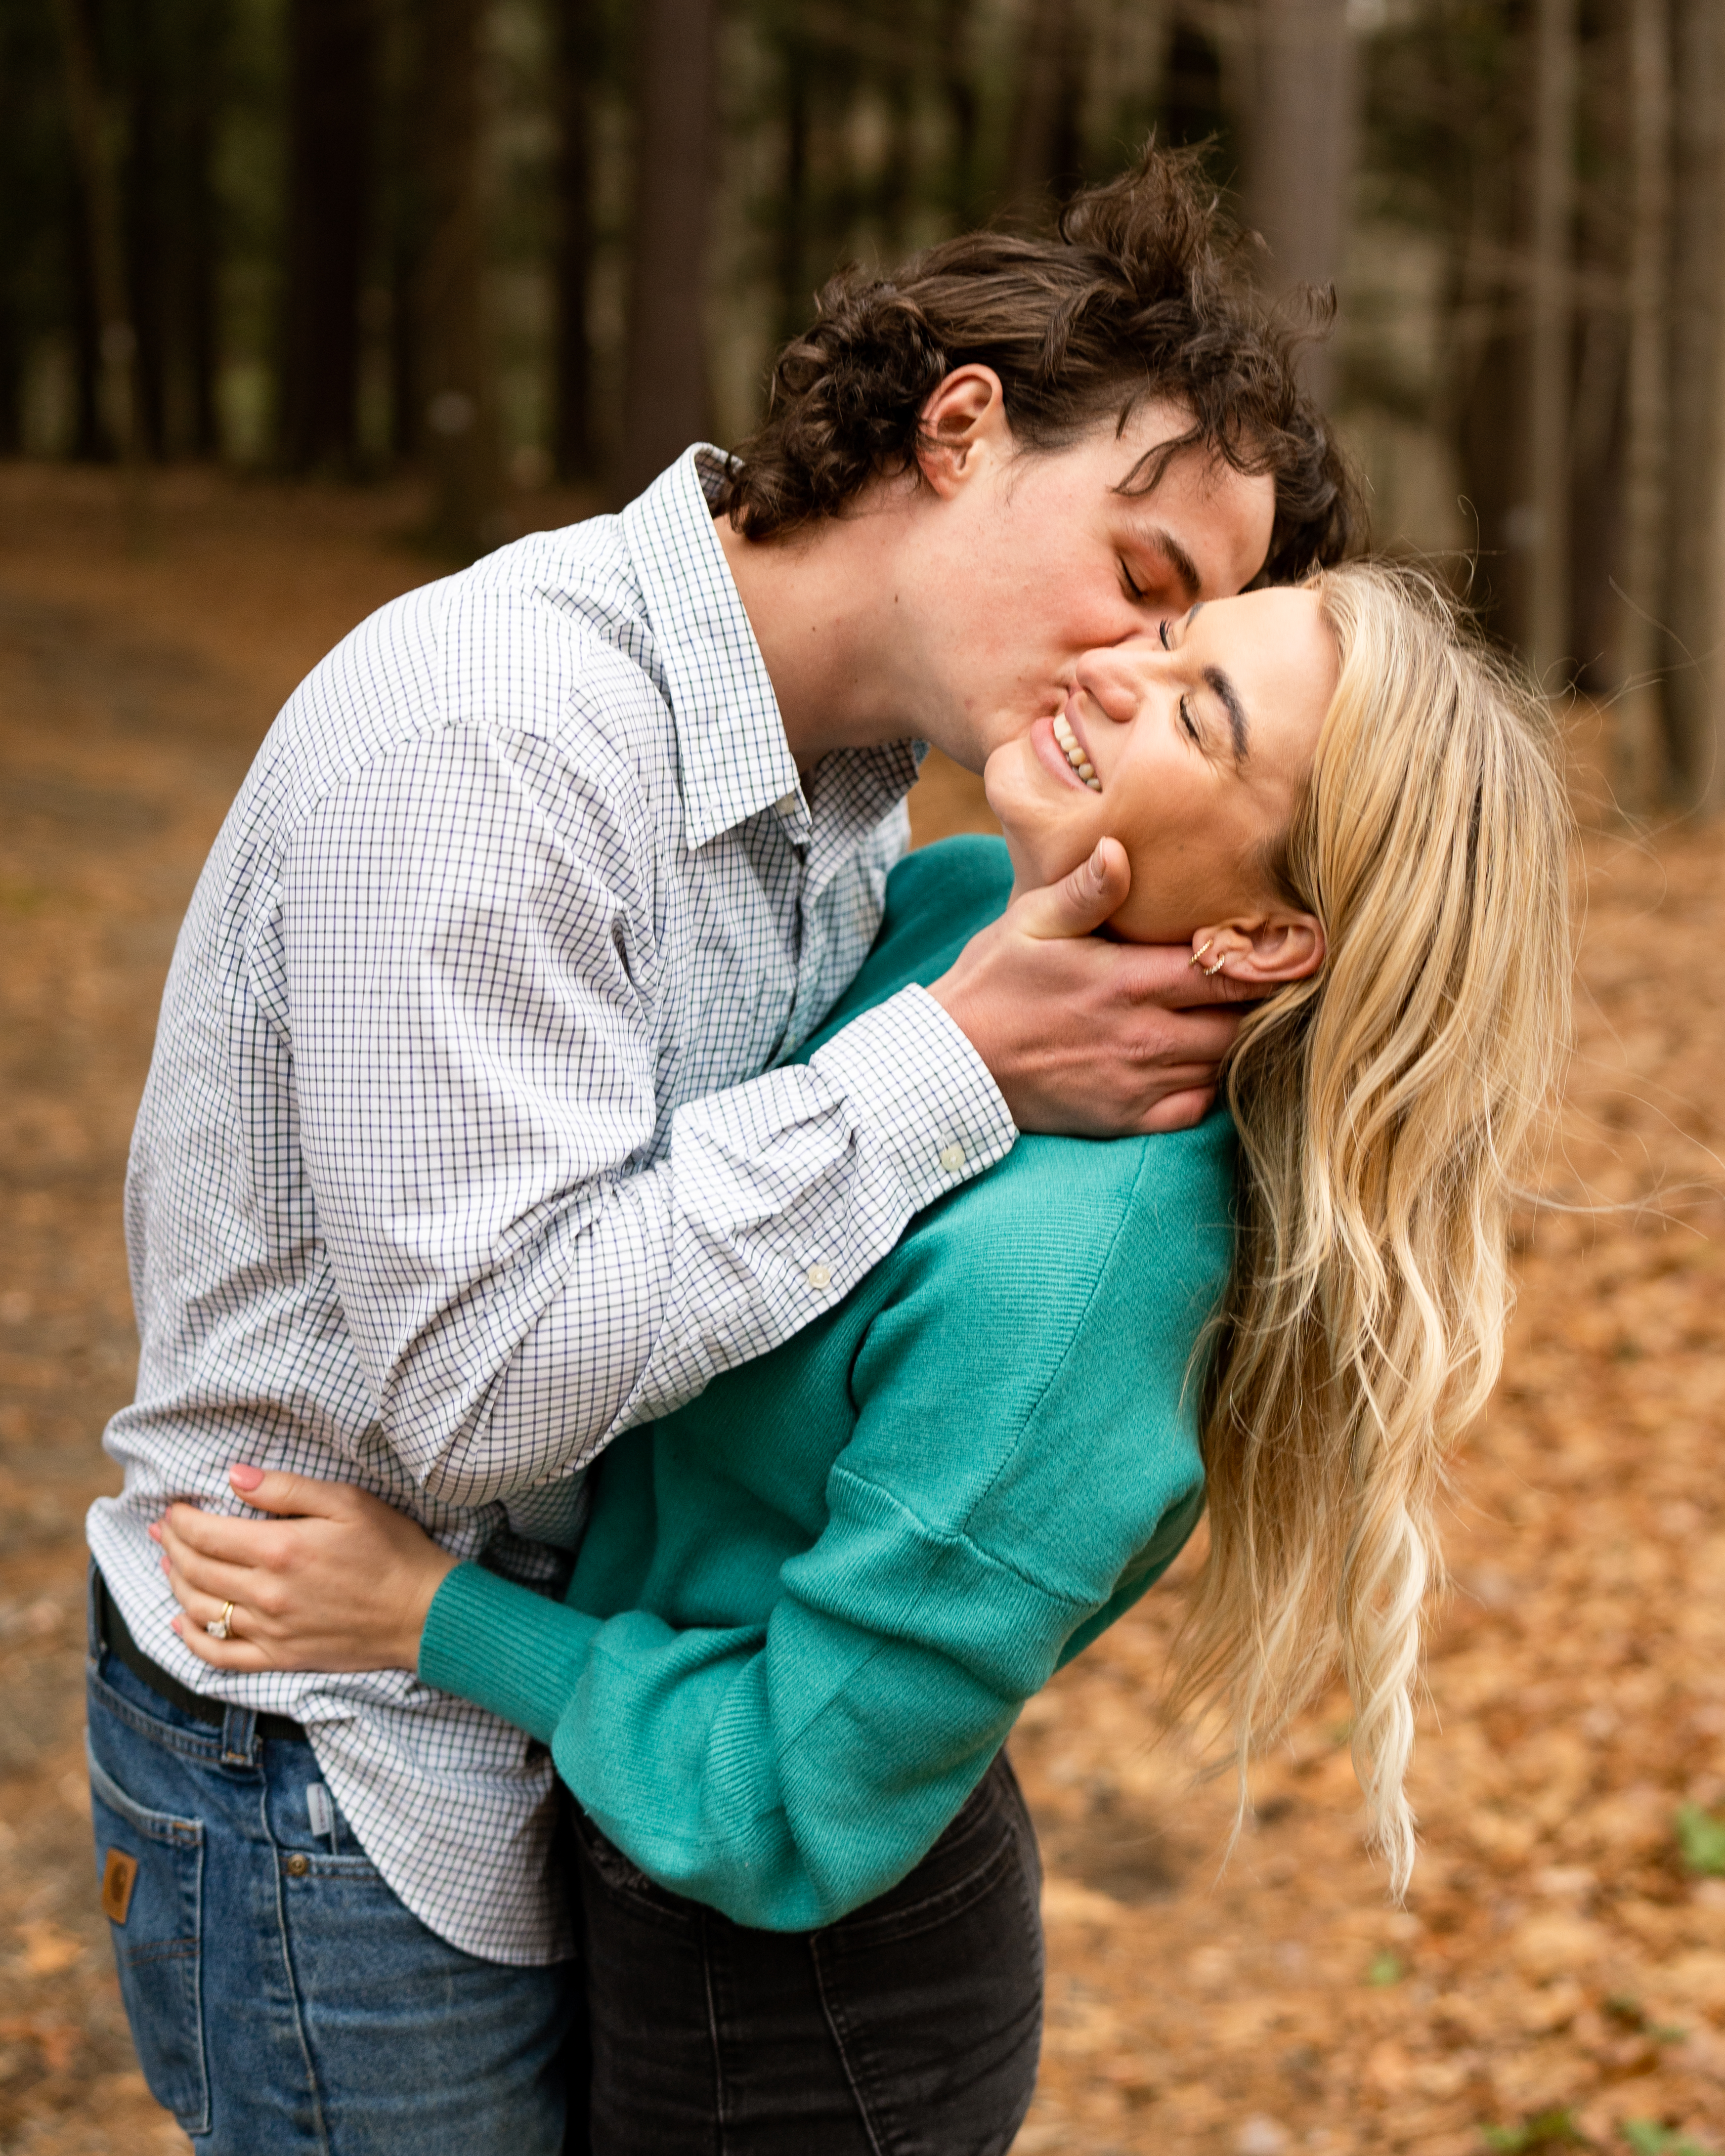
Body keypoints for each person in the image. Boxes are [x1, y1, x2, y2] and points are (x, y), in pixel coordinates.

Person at [85, 145, 1357, 2153]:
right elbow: (481, 1387)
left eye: (1200, 649)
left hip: (572, 1734)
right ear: (961, 428)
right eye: (1143, 580)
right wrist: (947, 1070)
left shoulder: (853, 814)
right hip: (339, 1752)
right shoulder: (502, 741)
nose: (1131, 665)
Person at [157, 563, 1573, 2155]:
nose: (1118, 671)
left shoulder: (1076, 1282)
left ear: (1259, 931)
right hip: (636, 1862)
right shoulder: (962, 906)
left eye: (1198, 709)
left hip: (804, 2011)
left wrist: (427, 1613)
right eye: (1170, 632)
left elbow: (786, 1803)